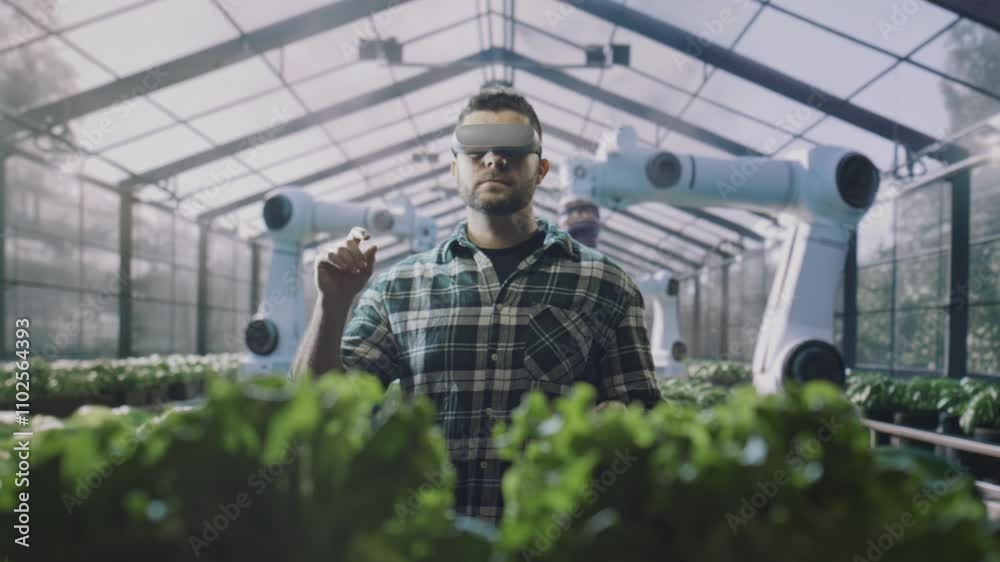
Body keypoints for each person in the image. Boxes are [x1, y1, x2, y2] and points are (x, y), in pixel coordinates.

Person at [291, 87, 662, 523]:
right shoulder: (401, 287)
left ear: (541, 169)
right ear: (454, 169)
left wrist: (616, 424)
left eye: (512, 148)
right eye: (475, 150)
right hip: (428, 543)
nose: (493, 159)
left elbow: (646, 421)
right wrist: (332, 306)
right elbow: (322, 406)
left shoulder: (606, 284)